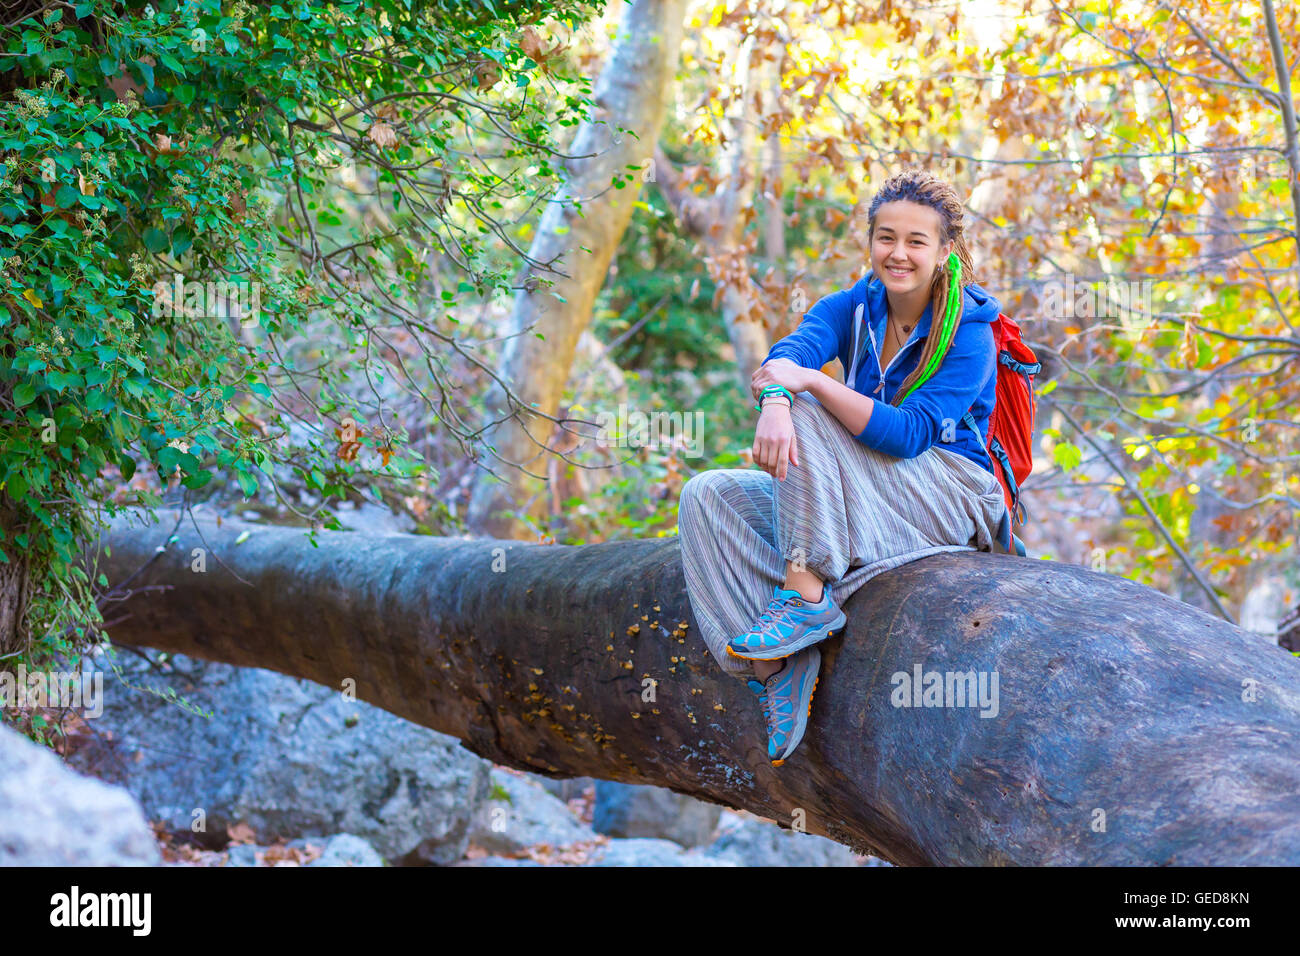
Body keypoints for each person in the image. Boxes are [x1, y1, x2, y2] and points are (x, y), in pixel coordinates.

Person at [676, 166, 1014, 766]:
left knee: (814, 399)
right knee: (709, 494)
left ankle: (805, 597)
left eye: (916, 241)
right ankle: (777, 667)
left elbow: (909, 434)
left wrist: (805, 389)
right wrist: (779, 396)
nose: (898, 253)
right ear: (870, 241)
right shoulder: (852, 307)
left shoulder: (969, 332)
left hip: (951, 491)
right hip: (868, 484)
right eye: (886, 237)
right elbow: (790, 356)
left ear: (945, 250)